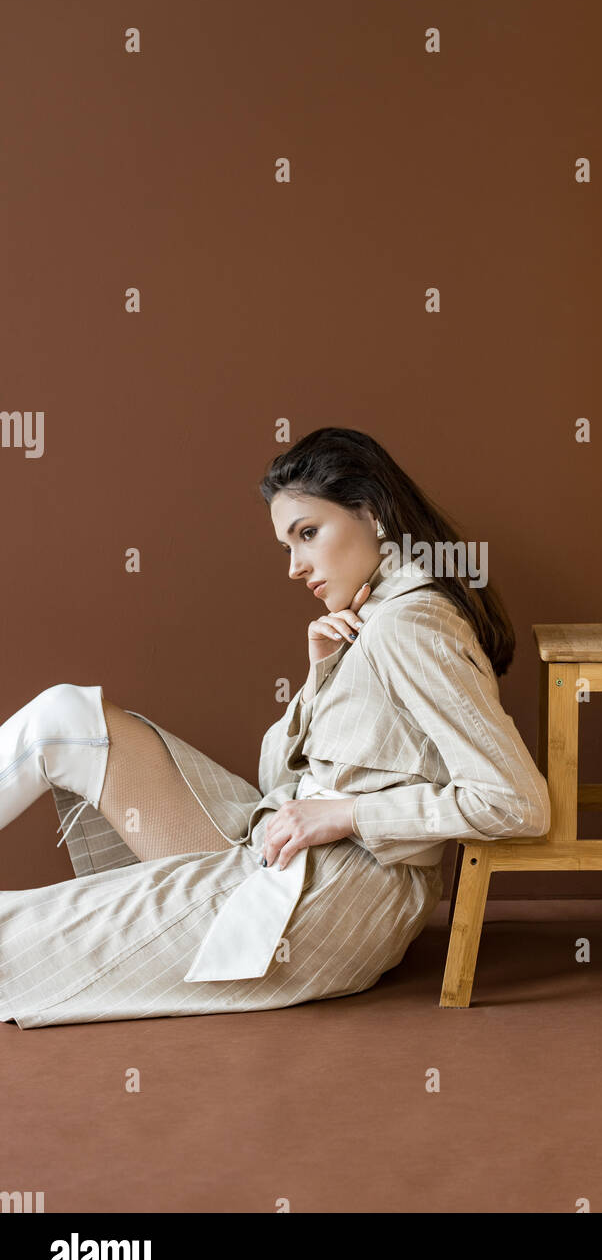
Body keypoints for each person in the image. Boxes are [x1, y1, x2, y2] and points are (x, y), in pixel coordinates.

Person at [0, 427, 550, 1027]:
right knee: (65, 717)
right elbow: (273, 782)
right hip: (269, 842)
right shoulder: (369, 619)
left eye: (308, 535)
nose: (295, 568)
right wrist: (319, 674)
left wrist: (345, 815)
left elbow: (516, 802)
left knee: (16, 937)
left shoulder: (410, 625)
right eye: (287, 545)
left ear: (372, 513)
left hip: (330, 892)